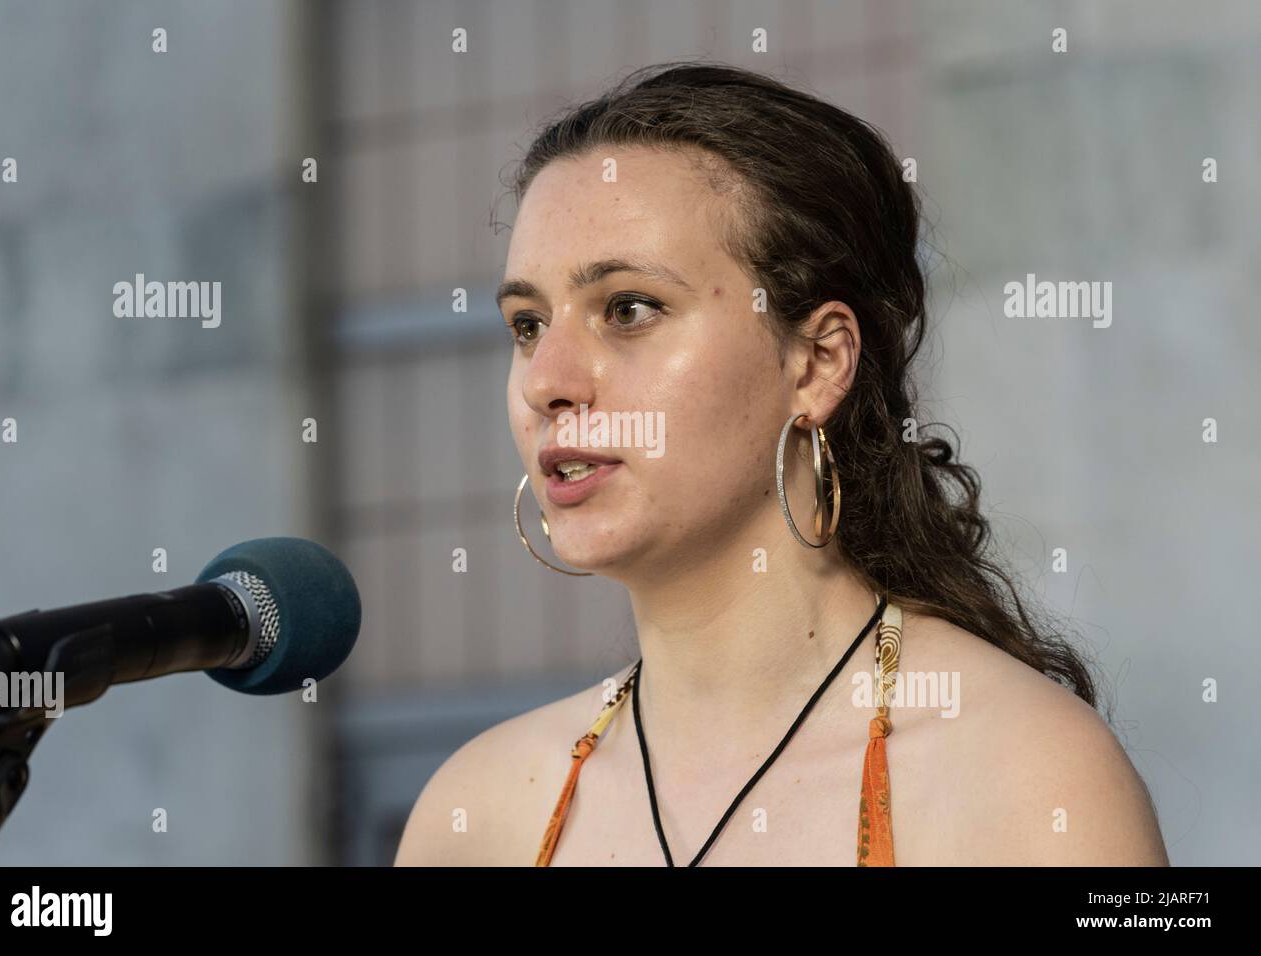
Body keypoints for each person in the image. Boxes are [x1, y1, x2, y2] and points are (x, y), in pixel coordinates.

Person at [393, 61, 1169, 867]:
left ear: (817, 363)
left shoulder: (1027, 781)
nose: (547, 382)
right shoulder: (478, 817)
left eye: (628, 310)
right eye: (527, 324)